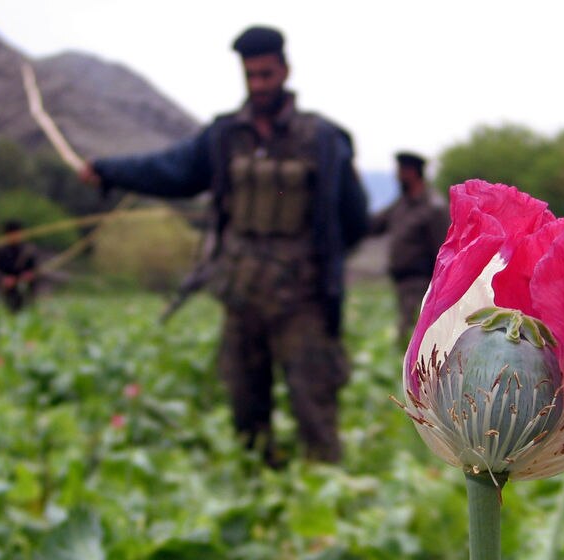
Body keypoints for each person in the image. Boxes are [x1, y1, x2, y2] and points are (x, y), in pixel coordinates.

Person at [79, 25, 369, 464]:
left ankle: (325, 505)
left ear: (285, 71)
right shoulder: (223, 137)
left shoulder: (323, 140)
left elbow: (354, 217)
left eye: (267, 75)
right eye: (251, 75)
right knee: (245, 411)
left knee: (315, 410)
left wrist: (316, 266)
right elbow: (170, 170)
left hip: (302, 302)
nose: (259, 85)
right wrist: (108, 170)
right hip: (242, 297)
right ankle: (257, 495)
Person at [368, 152, 449, 343]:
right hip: (402, 283)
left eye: (400, 172)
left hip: (421, 284)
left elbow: (443, 250)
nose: (397, 177)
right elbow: (374, 226)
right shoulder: (401, 204)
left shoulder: (433, 206)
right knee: (406, 334)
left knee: (415, 337)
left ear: (411, 173)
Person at [0, 219, 39, 313]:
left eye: (17, 233)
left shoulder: (28, 250)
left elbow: (35, 269)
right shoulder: (1, 252)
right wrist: (4, 279)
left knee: (27, 310)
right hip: (10, 290)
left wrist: (30, 275)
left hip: (26, 289)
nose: (15, 236)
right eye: (12, 233)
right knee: (11, 310)